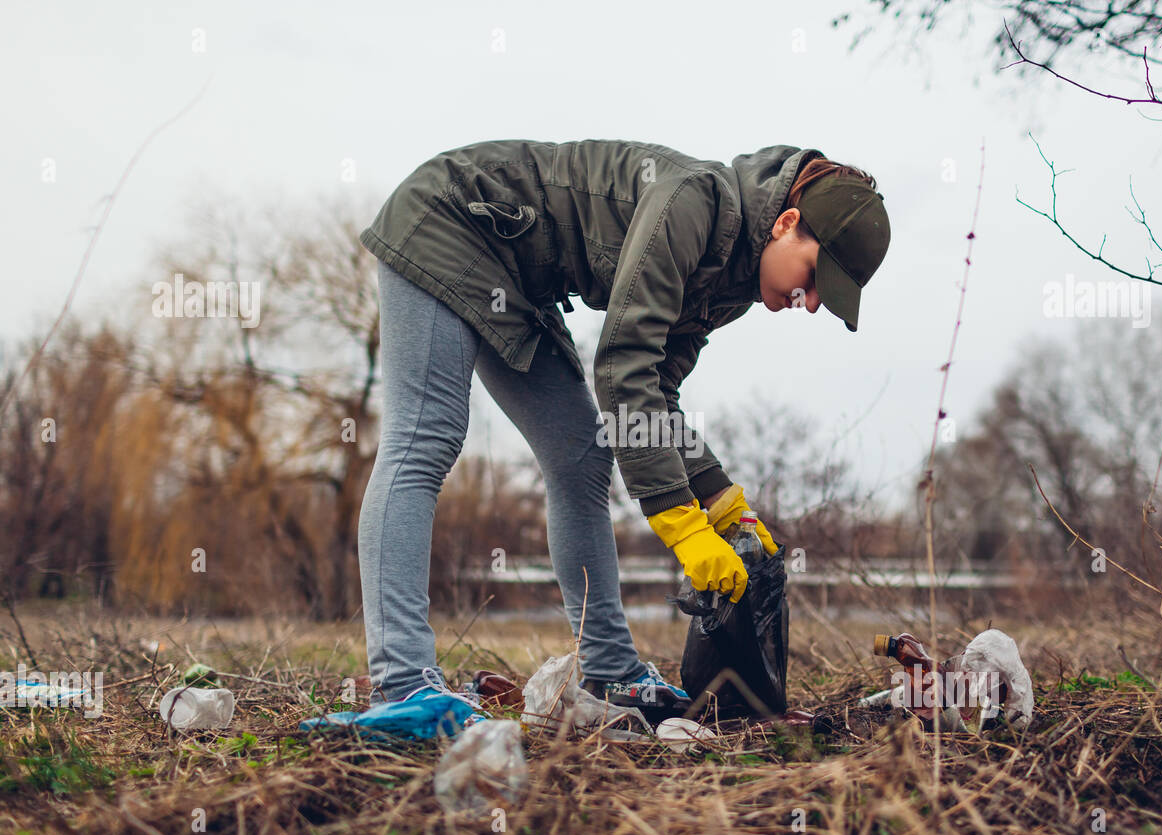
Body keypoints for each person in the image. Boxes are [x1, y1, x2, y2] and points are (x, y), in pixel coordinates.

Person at [355, 138, 890, 710]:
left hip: (515, 284)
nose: (809, 302)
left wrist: (721, 499)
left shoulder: (732, 284)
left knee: (582, 458)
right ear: (787, 223)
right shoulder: (694, 206)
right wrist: (682, 525)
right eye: (813, 277)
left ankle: (610, 672)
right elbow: (622, 367)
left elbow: (655, 393)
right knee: (427, 436)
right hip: (449, 218)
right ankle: (404, 682)